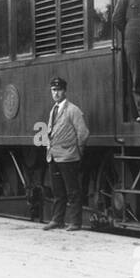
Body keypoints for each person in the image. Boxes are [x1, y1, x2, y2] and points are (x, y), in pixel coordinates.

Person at [41, 77, 90, 231]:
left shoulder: (73, 110)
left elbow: (83, 133)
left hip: (68, 157)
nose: (56, 93)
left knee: (73, 191)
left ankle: (75, 223)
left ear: (65, 91)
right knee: (58, 192)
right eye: (53, 90)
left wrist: (78, 151)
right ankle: (57, 220)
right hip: (54, 156)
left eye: (59, 90)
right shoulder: (53, 110)